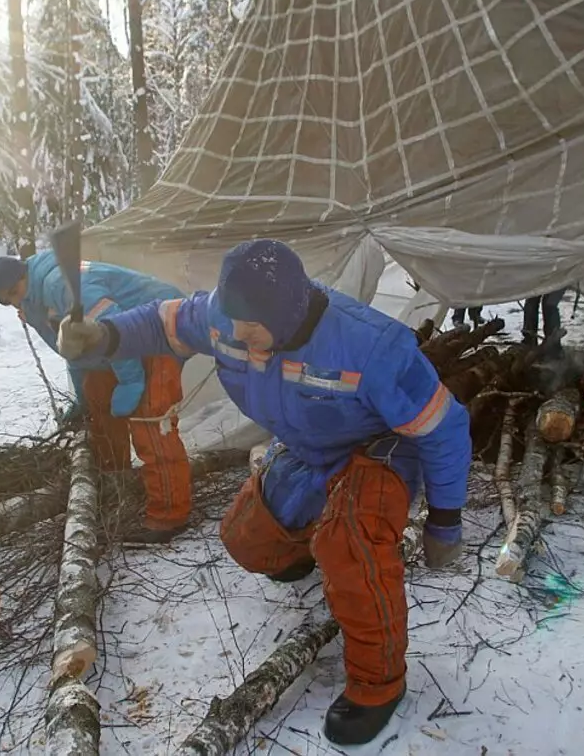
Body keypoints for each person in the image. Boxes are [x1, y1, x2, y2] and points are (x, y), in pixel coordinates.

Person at [56, 239, 471, 745]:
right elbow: (164, 323)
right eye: (230, 322)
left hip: (377, 450)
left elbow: (444, 428)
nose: (236, 335)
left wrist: (445, 519)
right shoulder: (226, 316)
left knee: (350, 543)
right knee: (247, 538)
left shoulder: (371, 346)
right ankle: (314, 552)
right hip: (308, 445)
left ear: (291, 310)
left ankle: (378, 684)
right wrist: (104, 335)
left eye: (252, 327)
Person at [0, 252, 193, 543]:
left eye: (15, 293)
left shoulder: (63, 283)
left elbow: (116, 325)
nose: (16, 303)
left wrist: (131, 379)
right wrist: (83, 398)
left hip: (156, 330)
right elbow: (75, 349)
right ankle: (115, 485)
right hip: (116, 341)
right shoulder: (32, 302)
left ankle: (169, 517)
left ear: (24, 276)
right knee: (100, 407)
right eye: (8, 301)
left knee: (150, 421)